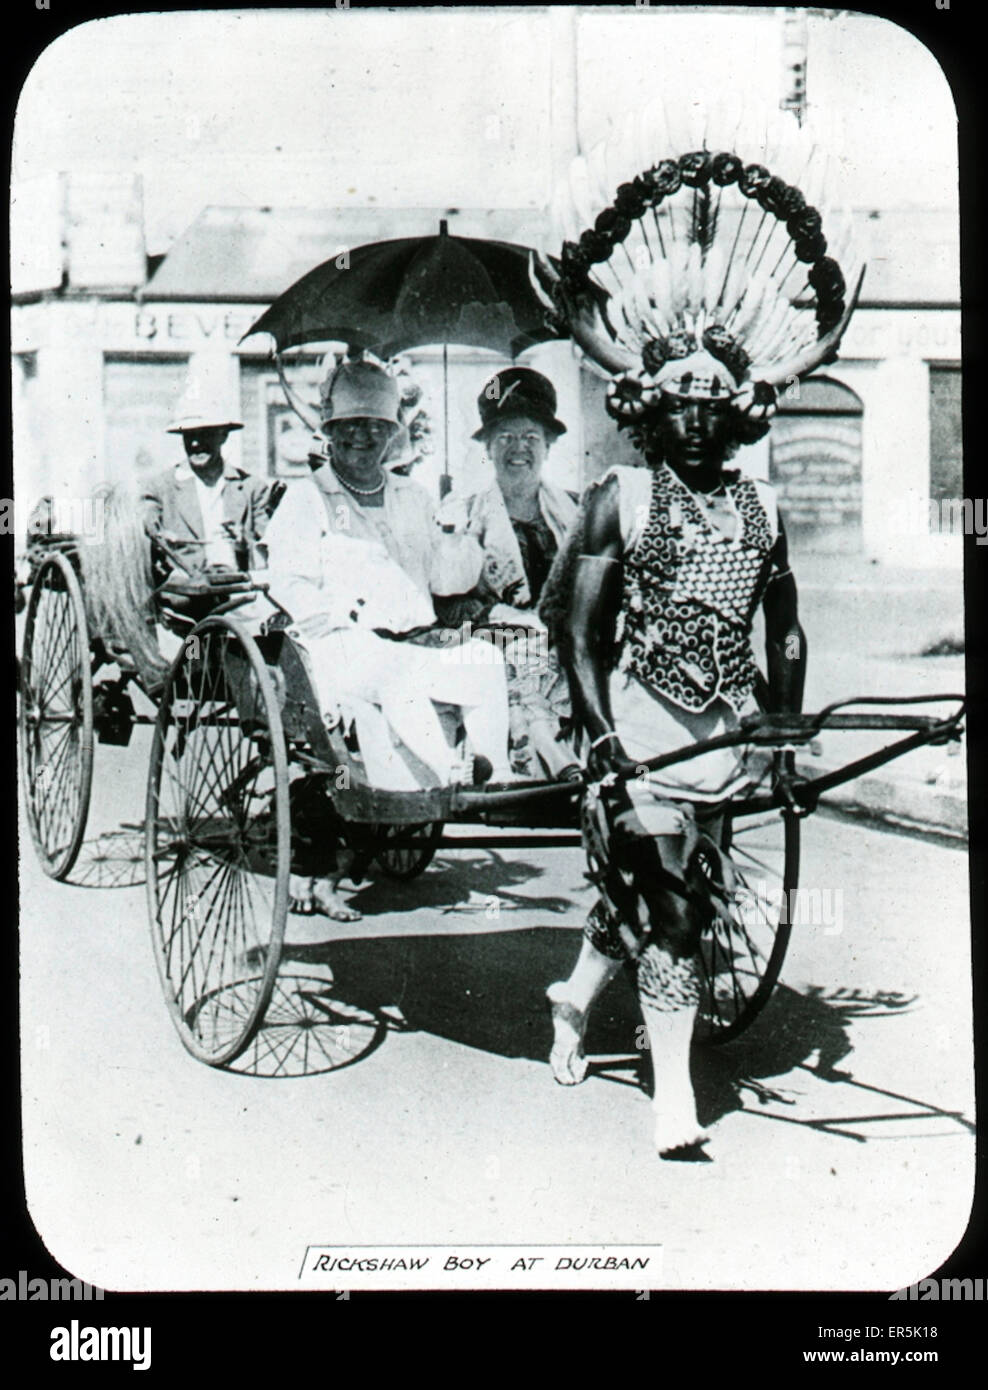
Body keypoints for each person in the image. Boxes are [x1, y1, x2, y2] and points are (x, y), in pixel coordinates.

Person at [532, 132, 861, 1156]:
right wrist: (606, 743)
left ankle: (569, 997)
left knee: (661, 895)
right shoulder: (617, 499)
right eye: (679, 404)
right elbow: (578, 634)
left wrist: (781, 723)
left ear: (741, 419)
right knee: (675, 912)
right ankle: (674, 1098)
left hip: (722, 733)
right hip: (636, 729)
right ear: (646, 408)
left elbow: (785, 618)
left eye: (716, 409)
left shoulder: (760, 506)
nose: (697, 424)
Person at [260, 358, 511, 914]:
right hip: (340, 644)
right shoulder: (309, 499)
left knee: (483, 662)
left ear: (393, 433)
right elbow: (290, 582)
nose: (362, 437)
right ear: (329, 432)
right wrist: (336, 624)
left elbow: (447, 582)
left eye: (375, 425)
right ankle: (447, 778)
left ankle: (490, 777)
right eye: (349, 425)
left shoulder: (415, 498)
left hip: (413, 641)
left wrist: (452, 532)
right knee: (396, 674)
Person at [436, 367, 579, 777]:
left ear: (549, 445)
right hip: (492, 637)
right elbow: (447, 600)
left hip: (564, 636)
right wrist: (503, 619)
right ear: (488, 447)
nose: (520, 448)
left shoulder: (573, 509)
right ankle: (544, 752)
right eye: (506, 437)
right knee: (527, 650)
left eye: (531, 437)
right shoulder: (464, 512)